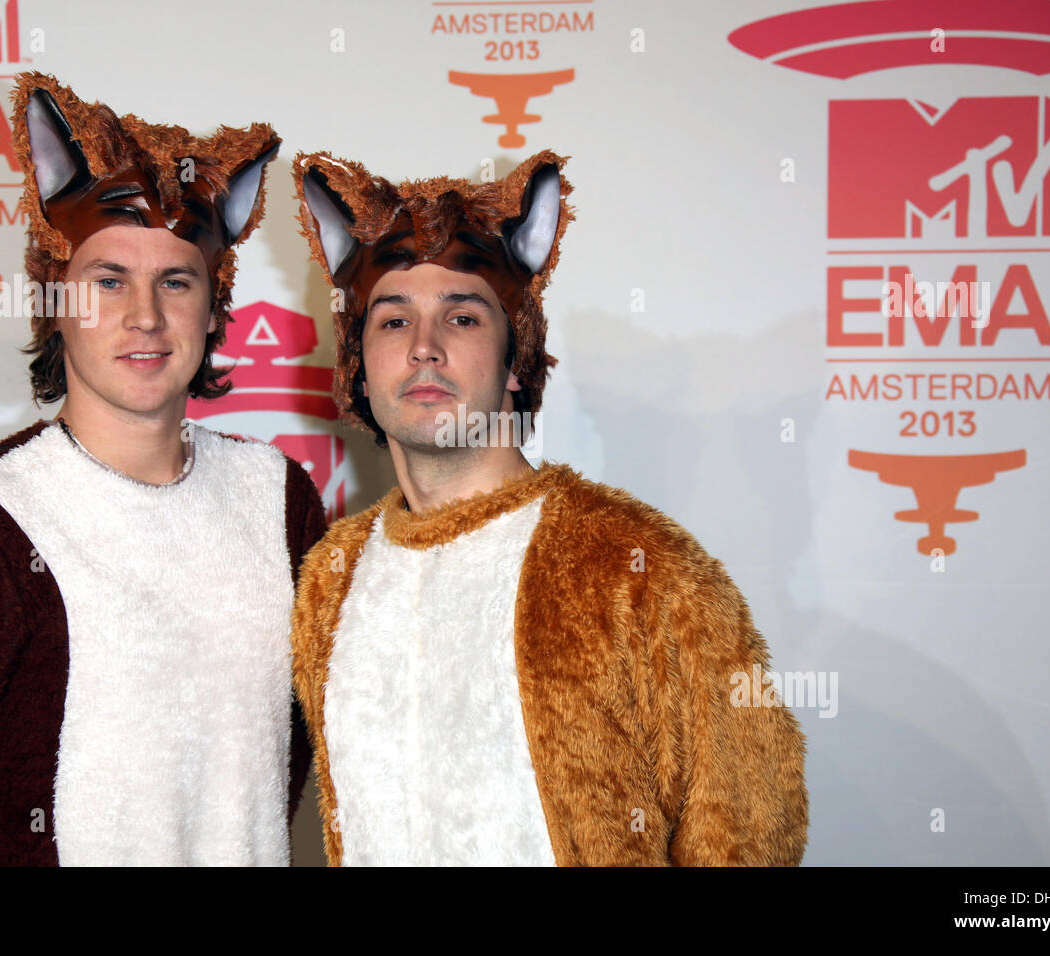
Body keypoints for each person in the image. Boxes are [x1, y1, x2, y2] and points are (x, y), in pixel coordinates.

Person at [0, 73, 324, 865]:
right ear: (54, 296)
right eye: (108, 280)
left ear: (213, 306)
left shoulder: (280, 503)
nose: (145, 316)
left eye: (176, 280)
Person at [287, 150, 809, 866]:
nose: (425, 349)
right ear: (359, 365)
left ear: (513, 361)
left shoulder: (636, 569)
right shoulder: (330, 581)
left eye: (463, 318)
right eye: (392, 322)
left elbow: (750, 833)